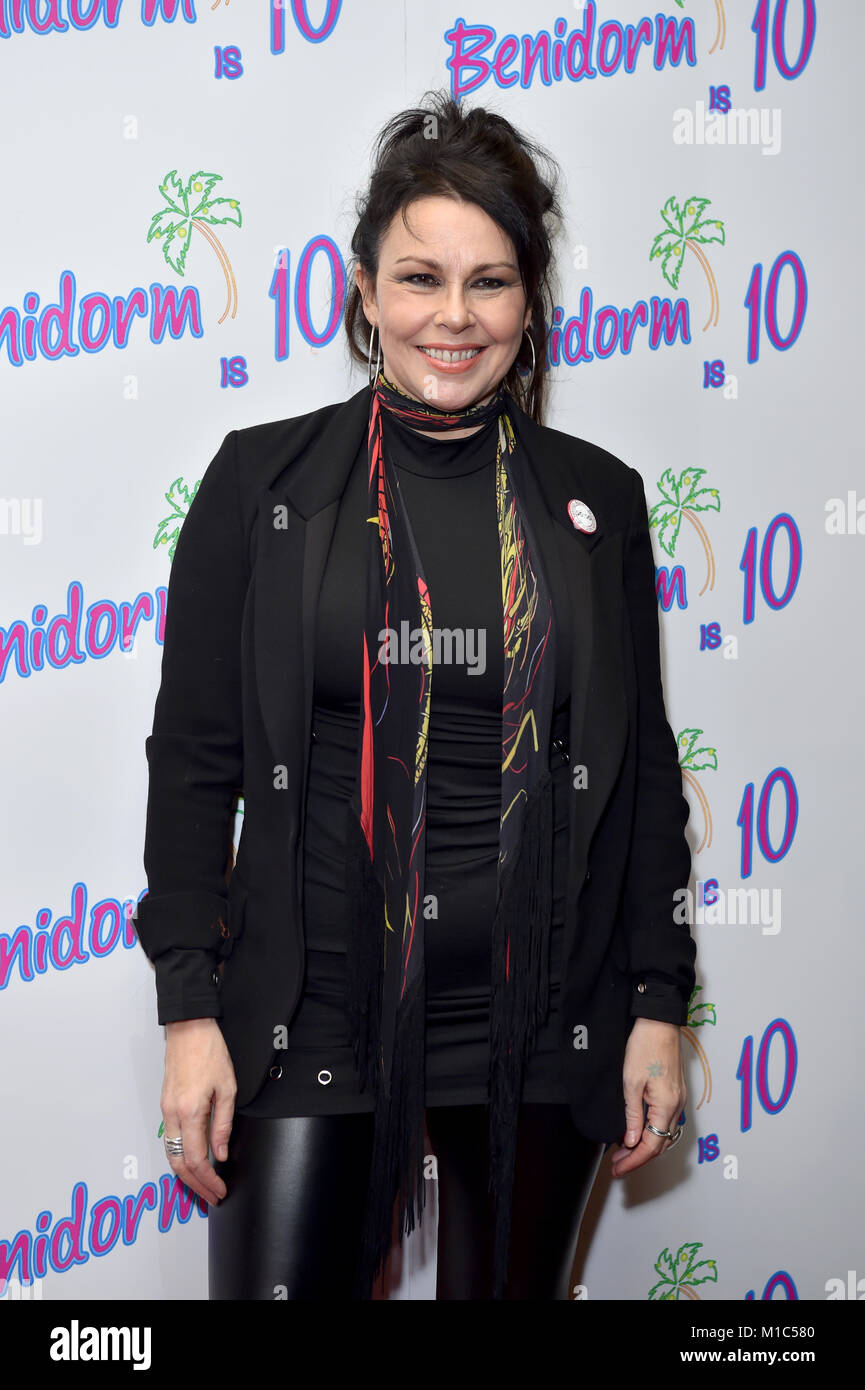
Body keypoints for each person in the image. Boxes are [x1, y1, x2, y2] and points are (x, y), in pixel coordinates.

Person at [134, 90, 697, 1301]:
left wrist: (657, 1001)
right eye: (420, 278)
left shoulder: (596, 502)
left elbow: (642, 770)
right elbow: (193, 763)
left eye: (489, 282)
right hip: (311, 1013)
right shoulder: (262, 485)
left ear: (531, 303)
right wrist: (190, 1011)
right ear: (364, 290)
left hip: (539, 1026)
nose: (453, 316)